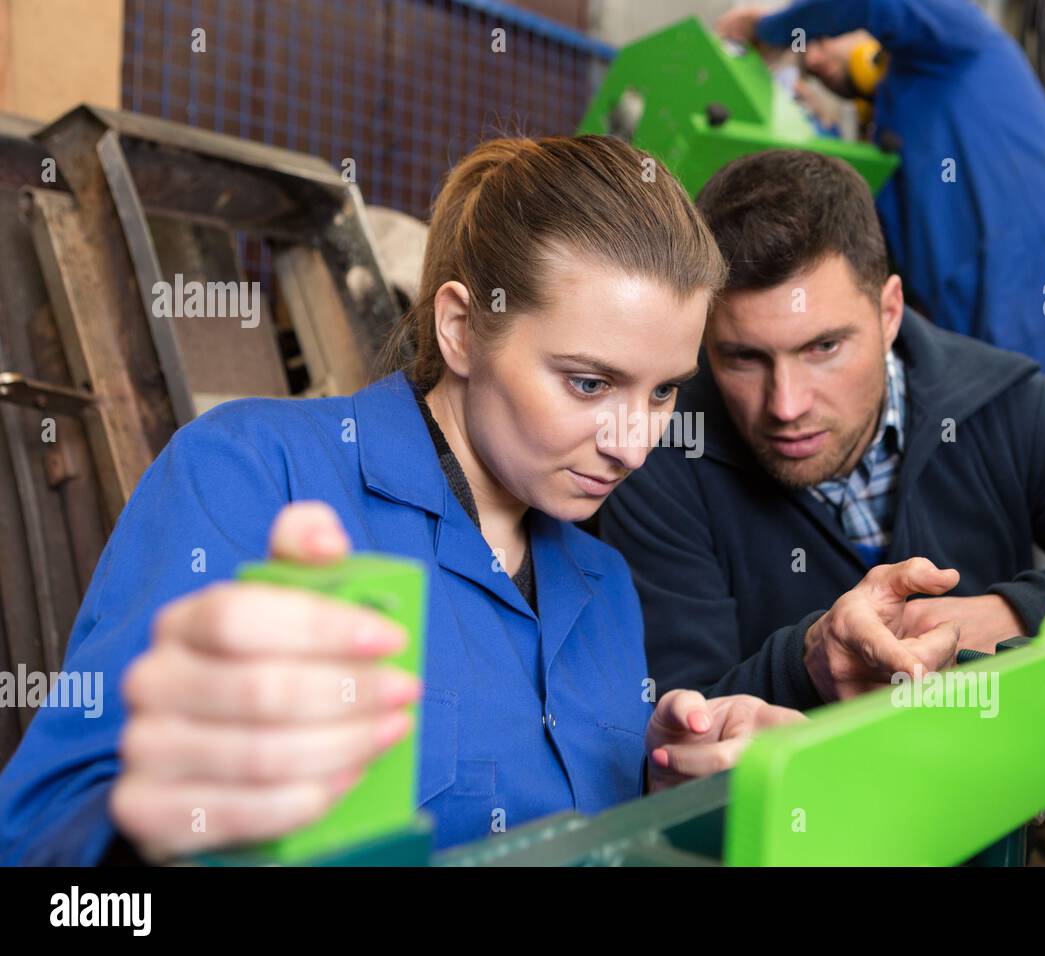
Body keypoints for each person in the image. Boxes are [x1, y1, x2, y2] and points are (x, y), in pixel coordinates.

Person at [0, 135, 807, 866]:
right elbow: (39, 841)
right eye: (589, 383)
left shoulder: (606, 588)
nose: (633, 444)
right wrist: (161, 826)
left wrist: (663, 807)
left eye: (664, 391)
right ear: (459, 328)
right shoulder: (253, 473)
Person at [598, 149, 1045, 830]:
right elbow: (673, 727)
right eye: (744, 357)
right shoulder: (657, 454)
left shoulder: (1001, 406)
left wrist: (1012, 615)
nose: (786, 404)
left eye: (824, 347)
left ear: (890, 311)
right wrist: (810, 657)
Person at [717, 0, 1045, 462]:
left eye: (823, 36)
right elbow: (863, 208)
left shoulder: (959, 45)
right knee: (1023, 495)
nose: (810, 57)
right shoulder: (895, 118)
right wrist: (801, 125)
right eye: (802, 54)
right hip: (980, 325)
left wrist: (772, 24)